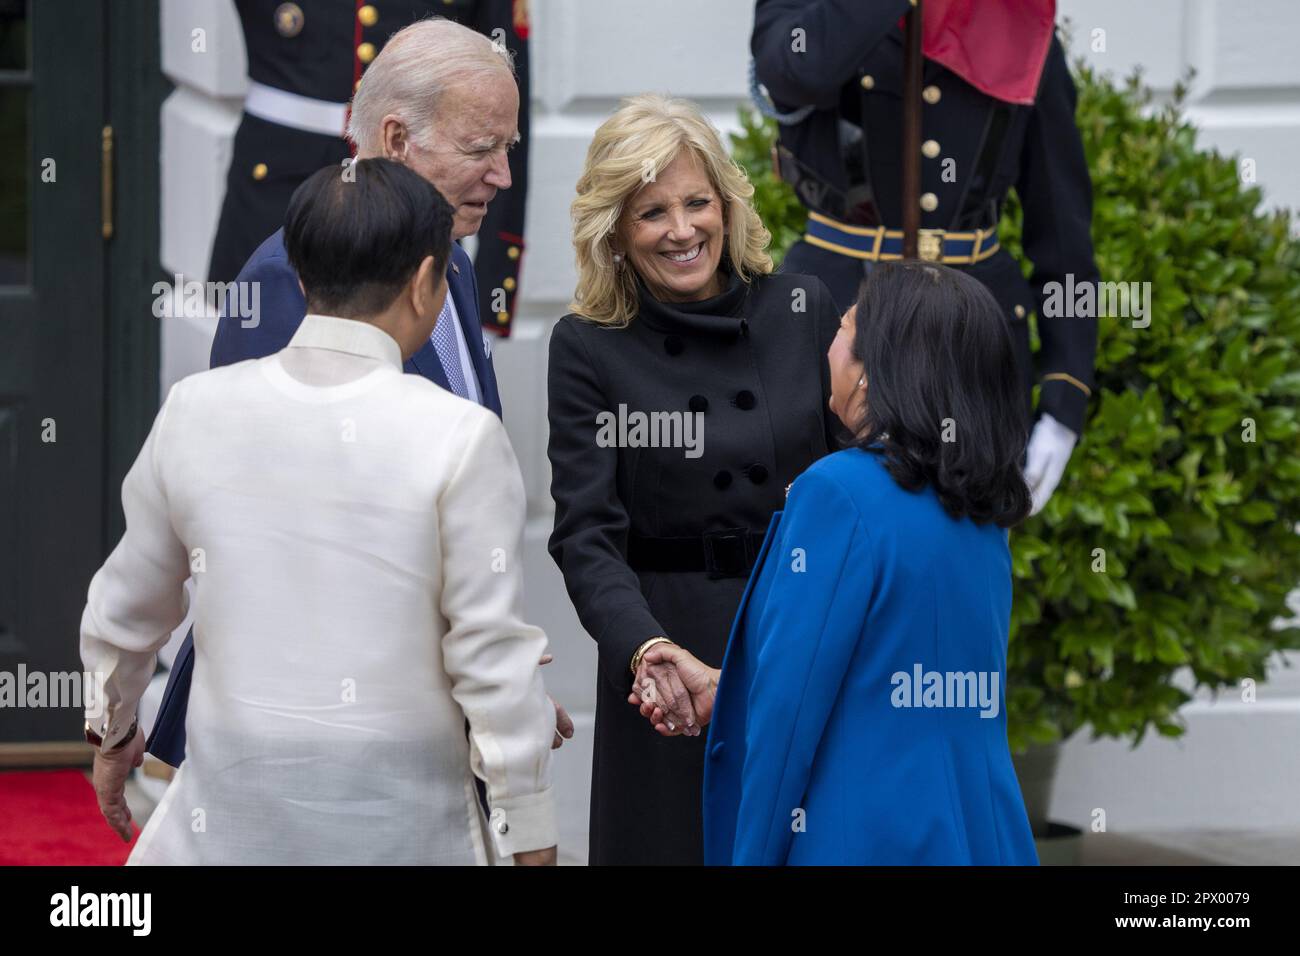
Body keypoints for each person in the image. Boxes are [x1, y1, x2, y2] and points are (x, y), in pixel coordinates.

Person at [82, 158, 558, 865]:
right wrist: (531, 833)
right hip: (407, 826)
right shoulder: (461, 438)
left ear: (302, 278)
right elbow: (491, 659)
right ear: (428, 281)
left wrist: (114, 730)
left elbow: (122, 614)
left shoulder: (196, 410)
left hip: (230, 821)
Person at [147, 18, 575, 767]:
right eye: (481, 150)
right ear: (397, 139)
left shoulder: (454, 265)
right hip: (307, 746)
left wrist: (493, 687)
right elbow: (275, 545)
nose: (504, 176)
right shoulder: (290, 281)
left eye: (508, 148)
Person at [633, 261, 1040, 865]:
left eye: (845, 327)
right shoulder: (982, 508)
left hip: (860, 839)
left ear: (878, 372)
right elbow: (902, 681)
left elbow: (788, 718)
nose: (829, 342)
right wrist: (731, 688)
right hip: (982, 835)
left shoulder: (837, 493)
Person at [546, 93, 841, 865]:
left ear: (727, 204)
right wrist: (645, 649)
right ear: (613, 230)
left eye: (696, 202)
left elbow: (860, 487)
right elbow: (586, 533)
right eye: (651, 213)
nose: (682, 230)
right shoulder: (587, 346)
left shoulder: (802, 308)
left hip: (794, 636)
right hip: (667, 668)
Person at [751, 0, 1098, 515]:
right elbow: (797, 72)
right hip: (834, 327)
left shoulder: (1019, 23)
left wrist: (1065, 397)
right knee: (829, 543)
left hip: (972, 341)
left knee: (960, 560)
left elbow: (1062, 229)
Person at [207, 1, 532, 335]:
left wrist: (495, 282)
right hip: (277, 190)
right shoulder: (268, 261)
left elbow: (498, 113)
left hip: (416, 206)